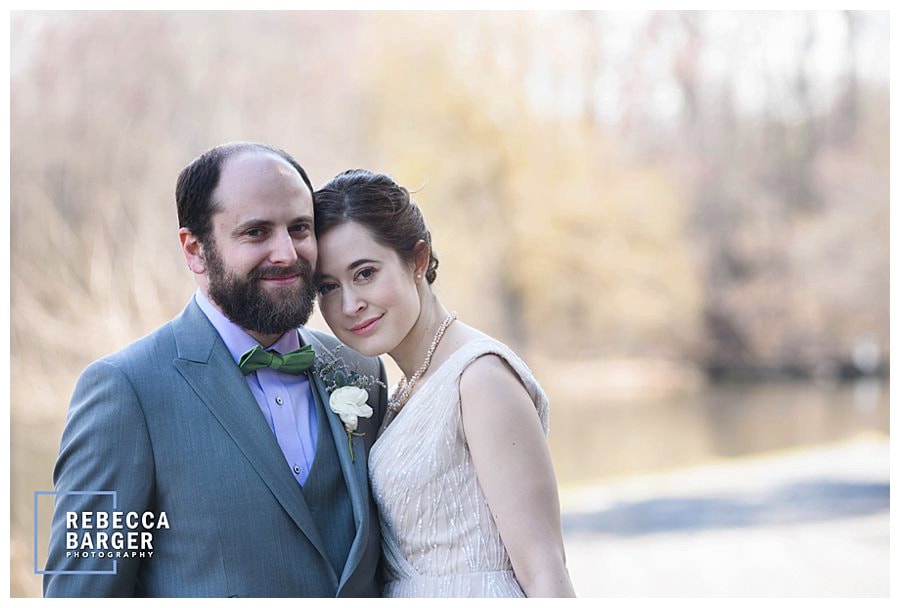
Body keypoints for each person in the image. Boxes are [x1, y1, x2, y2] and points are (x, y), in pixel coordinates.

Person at [43, 143, 388, 597]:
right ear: (195, 250)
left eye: (299, 228)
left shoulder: (362, 367)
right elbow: (79, 594)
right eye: (256, 232)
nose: (286, 252)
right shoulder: (121, 391)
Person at [312, 169, 577, 598]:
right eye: (327, 286)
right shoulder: (406, 387)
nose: (350, 304)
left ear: (417, 260)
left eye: (364, 273)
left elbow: (545, 570)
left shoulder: (479, 378)